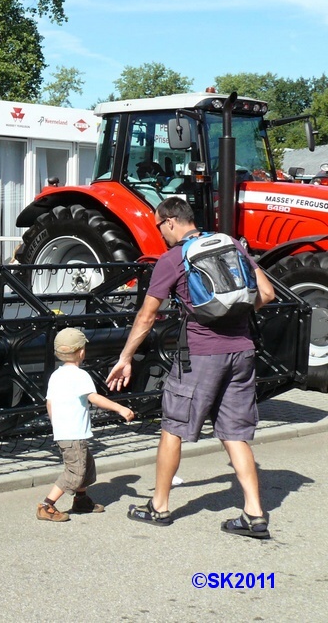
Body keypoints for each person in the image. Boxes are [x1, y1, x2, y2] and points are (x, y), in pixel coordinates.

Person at [107, 196, 275, 538]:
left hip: (200, 356)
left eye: (159, 226)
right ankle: (255, 514)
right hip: (242, 352)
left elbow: (146, 316)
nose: (160, 233)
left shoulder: (173, 259)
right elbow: (268, 294)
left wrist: (125, 358)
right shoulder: (231, 245)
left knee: (173, 428)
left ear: (170, 222)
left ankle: (159, 506)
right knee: (235, 433)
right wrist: (236, 315)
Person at [38, 327, 135, 522]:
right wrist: (120, 408)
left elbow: (50, 403)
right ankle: (46, 505)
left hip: (65, 431)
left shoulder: (56, 375)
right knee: (75, 472)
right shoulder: (80, 375)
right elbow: (94, 398)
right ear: (82, 352)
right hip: (73, 432)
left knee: (86, 465)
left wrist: (56, 424)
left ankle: (81, 500)